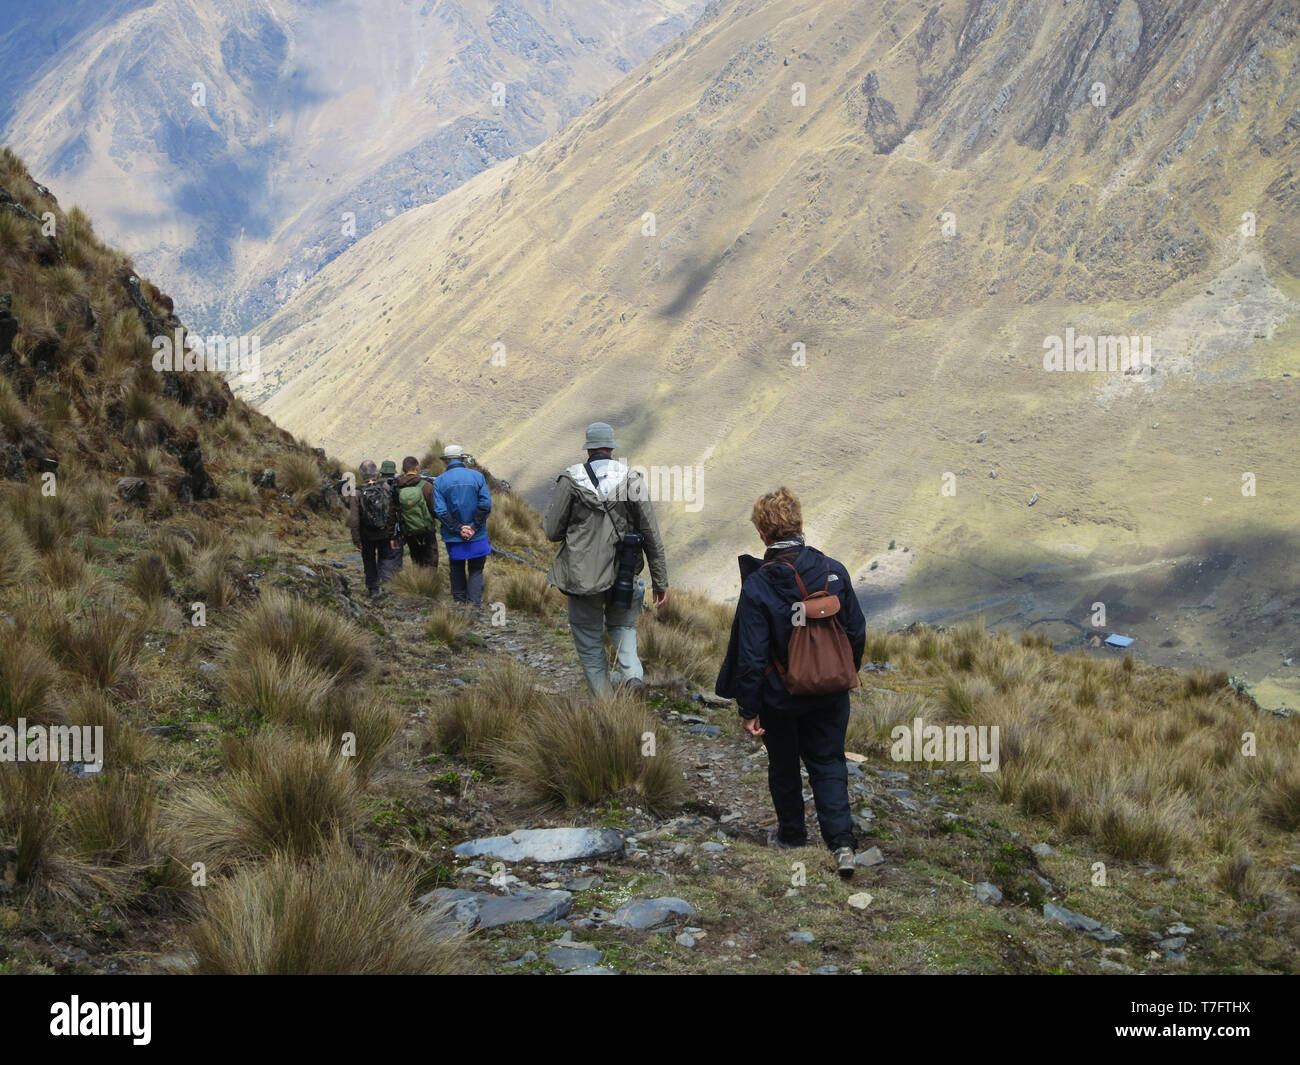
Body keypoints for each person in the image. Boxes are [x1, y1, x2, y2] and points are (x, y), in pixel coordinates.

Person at [714, 486, 866, 878]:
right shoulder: (834, 570)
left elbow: (751, 654)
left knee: (783, 763)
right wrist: (841, 672)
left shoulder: (760, 584)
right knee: (829, 761)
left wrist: (749, 708)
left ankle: (793, 837)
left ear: (763, 534)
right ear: (799, 523)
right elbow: (856, 631)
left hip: (779, 696)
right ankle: (842, 845)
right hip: (831, 692)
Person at [543, 421, 668, 697]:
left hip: (581, 575)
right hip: (622, 571)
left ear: (588, 448)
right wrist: (660, 581)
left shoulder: (571, 479)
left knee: (588, 640)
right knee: (623, 626)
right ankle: (633, 675)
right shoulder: (631, 478)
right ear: (611, 447)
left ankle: (605, 705)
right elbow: (650, 532)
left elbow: (552, 531)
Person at [433, 445, 491, 606]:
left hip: (454, 536)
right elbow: (486, 505)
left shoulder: (439, 481)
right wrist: (473, 527)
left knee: (456, 567)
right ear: (462, 459)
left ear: (446, 461)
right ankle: (474, 605)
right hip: (477, 534)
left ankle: (459, 603)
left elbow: (440, 511)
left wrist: (459, 528)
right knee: (476, 569)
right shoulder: (477, 477)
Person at [349, 459, 403, 598]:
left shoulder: (356, 492)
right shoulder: (385, 487)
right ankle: (386, 586)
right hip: (385, 532)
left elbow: (354, 519)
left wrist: (356, 539)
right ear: (376, 472)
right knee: (386, 558)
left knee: (369, 560)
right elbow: (393, 510)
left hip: (367, 535)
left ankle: (373, 589)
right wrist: (394, 533)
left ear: (361, 474)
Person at [394, 456, 439, 569]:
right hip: (426, 528)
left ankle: (418, 580)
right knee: (431, 558)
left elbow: (395, 511)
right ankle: (429, 584)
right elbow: (434, 509)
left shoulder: (397, 488)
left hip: (409, 530)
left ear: (404, 470)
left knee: (416, 558)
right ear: (417, 468)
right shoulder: (427, 486)